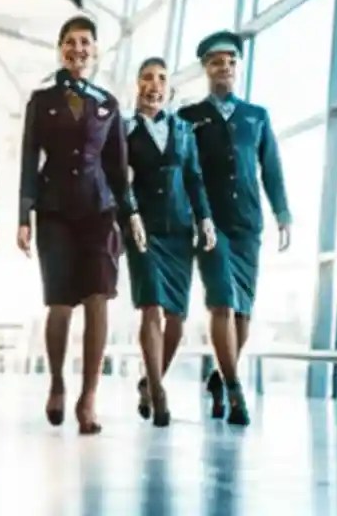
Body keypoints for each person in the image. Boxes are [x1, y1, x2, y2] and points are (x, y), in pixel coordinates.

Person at [17, 15, 145, 436]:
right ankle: (56, 381)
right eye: (70, 42)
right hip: (54, 211)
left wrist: (131, 216)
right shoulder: (41, 100)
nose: (78, 49)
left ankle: (89, 397)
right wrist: (24, 216)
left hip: (99, 211)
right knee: (58, 304)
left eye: (85, 42)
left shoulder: (107, 102)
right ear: (60, 48)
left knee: (98, 300)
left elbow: (118, 167)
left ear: (95, 50)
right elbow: (28, 161)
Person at [177, 30, 291, 427]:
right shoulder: (188, 118)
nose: (223, 68)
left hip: (247, 223)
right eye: (215, 62)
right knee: (221, 301)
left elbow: (271, 168)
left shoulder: (256, 116)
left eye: (230, 62)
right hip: (208, 222)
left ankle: (218, 378)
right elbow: (177, 169)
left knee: (243, 310)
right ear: (205, 68)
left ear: (236, 68)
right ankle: (234, 387)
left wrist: (283, 213)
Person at [124, 57, 216, 428]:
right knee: (150, 307)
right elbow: (119, 179)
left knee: (176, 317)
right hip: (142, 229)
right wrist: (129, 213)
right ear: (137, 85)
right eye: (146, 78)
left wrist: (204, 218)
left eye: (161, 79)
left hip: (178, 230)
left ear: (169, 90)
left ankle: (149, 379)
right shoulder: (125, 130)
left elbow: (194, 178)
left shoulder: (183, 130)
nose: (154, 85)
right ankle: (159, 392)